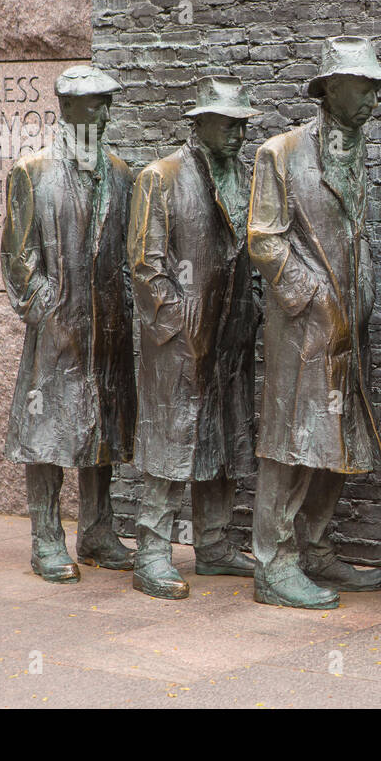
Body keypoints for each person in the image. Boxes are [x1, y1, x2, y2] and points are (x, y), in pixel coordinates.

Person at [247, 37, 381, 609]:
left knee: (337, 438)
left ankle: (314, 546)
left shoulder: (358, 150)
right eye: (363, 86)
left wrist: (359, 299)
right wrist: (311, 294)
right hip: (304, 327)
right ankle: (274, 563)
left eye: (376, 88)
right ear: (330, 89)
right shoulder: (279, 153)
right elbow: (264, 237)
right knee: (291, 442)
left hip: (348, 328)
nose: (372, 98)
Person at [127, 76, 262, 599]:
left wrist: (247, 310)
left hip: (231, 331)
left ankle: (215, 543)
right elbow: (145, 265)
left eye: (243, 125)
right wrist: (178, 325)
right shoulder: (160, 177)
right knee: (172, 438)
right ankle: (153, 551)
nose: (237, 133)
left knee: (224, 434)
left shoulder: (244, 178)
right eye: (227, 123)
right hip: (180, 340)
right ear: (198, 122)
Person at [1, 65, 137, 583]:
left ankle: (99, 530)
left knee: (100, 423)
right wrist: (46, 309)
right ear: (67, 108)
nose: (103, 114)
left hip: (107, 328)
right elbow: (18, 256)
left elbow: (128, 255)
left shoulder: (122, 175)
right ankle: (46, 536)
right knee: (47, 430)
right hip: (58, 326)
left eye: (107, 104)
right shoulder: (32, 171)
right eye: (92, 105)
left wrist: (123, 308)